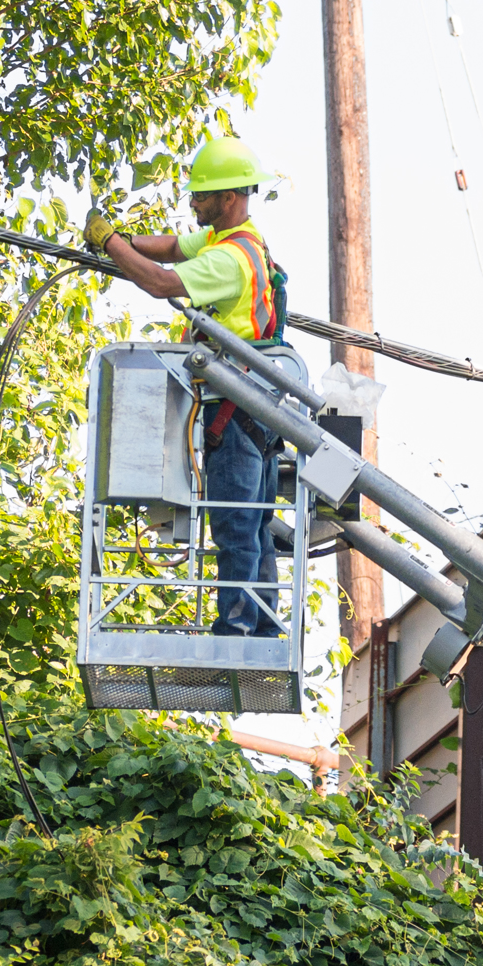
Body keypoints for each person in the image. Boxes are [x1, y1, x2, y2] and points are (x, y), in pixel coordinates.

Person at [84, 135, 289, 639]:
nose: (193, 202)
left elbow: (159, 280)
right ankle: (259, 626)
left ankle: (238, 630)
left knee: (236, 525)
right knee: (253, 524)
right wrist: (122, 244)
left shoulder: (229, 261)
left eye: (202, 195)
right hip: (251, 409)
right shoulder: (236, 241)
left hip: (236, 409)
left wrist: (110, 244)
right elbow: (173, 248)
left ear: (229, 198)